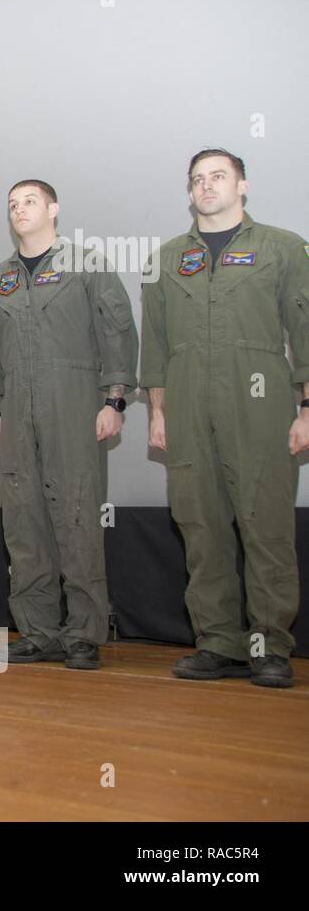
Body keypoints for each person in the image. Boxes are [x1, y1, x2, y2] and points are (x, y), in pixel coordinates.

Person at [142, 148, 309, 689]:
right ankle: (218, 643)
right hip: (187, 404)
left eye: (218, 177)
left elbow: (304, 335)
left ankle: (268, 646)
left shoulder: (283, 248)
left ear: (243, 186)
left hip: (258, 402)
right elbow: (157, 345)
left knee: (266, 528)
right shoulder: (167, 258)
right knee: (201, 527)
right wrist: (158, 414)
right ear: (188, 191)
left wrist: (307, 407)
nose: (207, 186)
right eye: (197, 179)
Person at [0, 180, 138, 670]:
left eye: (29, 202)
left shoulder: (87, 265)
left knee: (77, 516)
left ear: (53, 209)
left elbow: (118, 330)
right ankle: (39, 631)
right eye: (12, 204)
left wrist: (114, 400)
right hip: (17, 412)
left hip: (74, 403)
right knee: (23, 521)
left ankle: (84, 633)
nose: (19, 210)